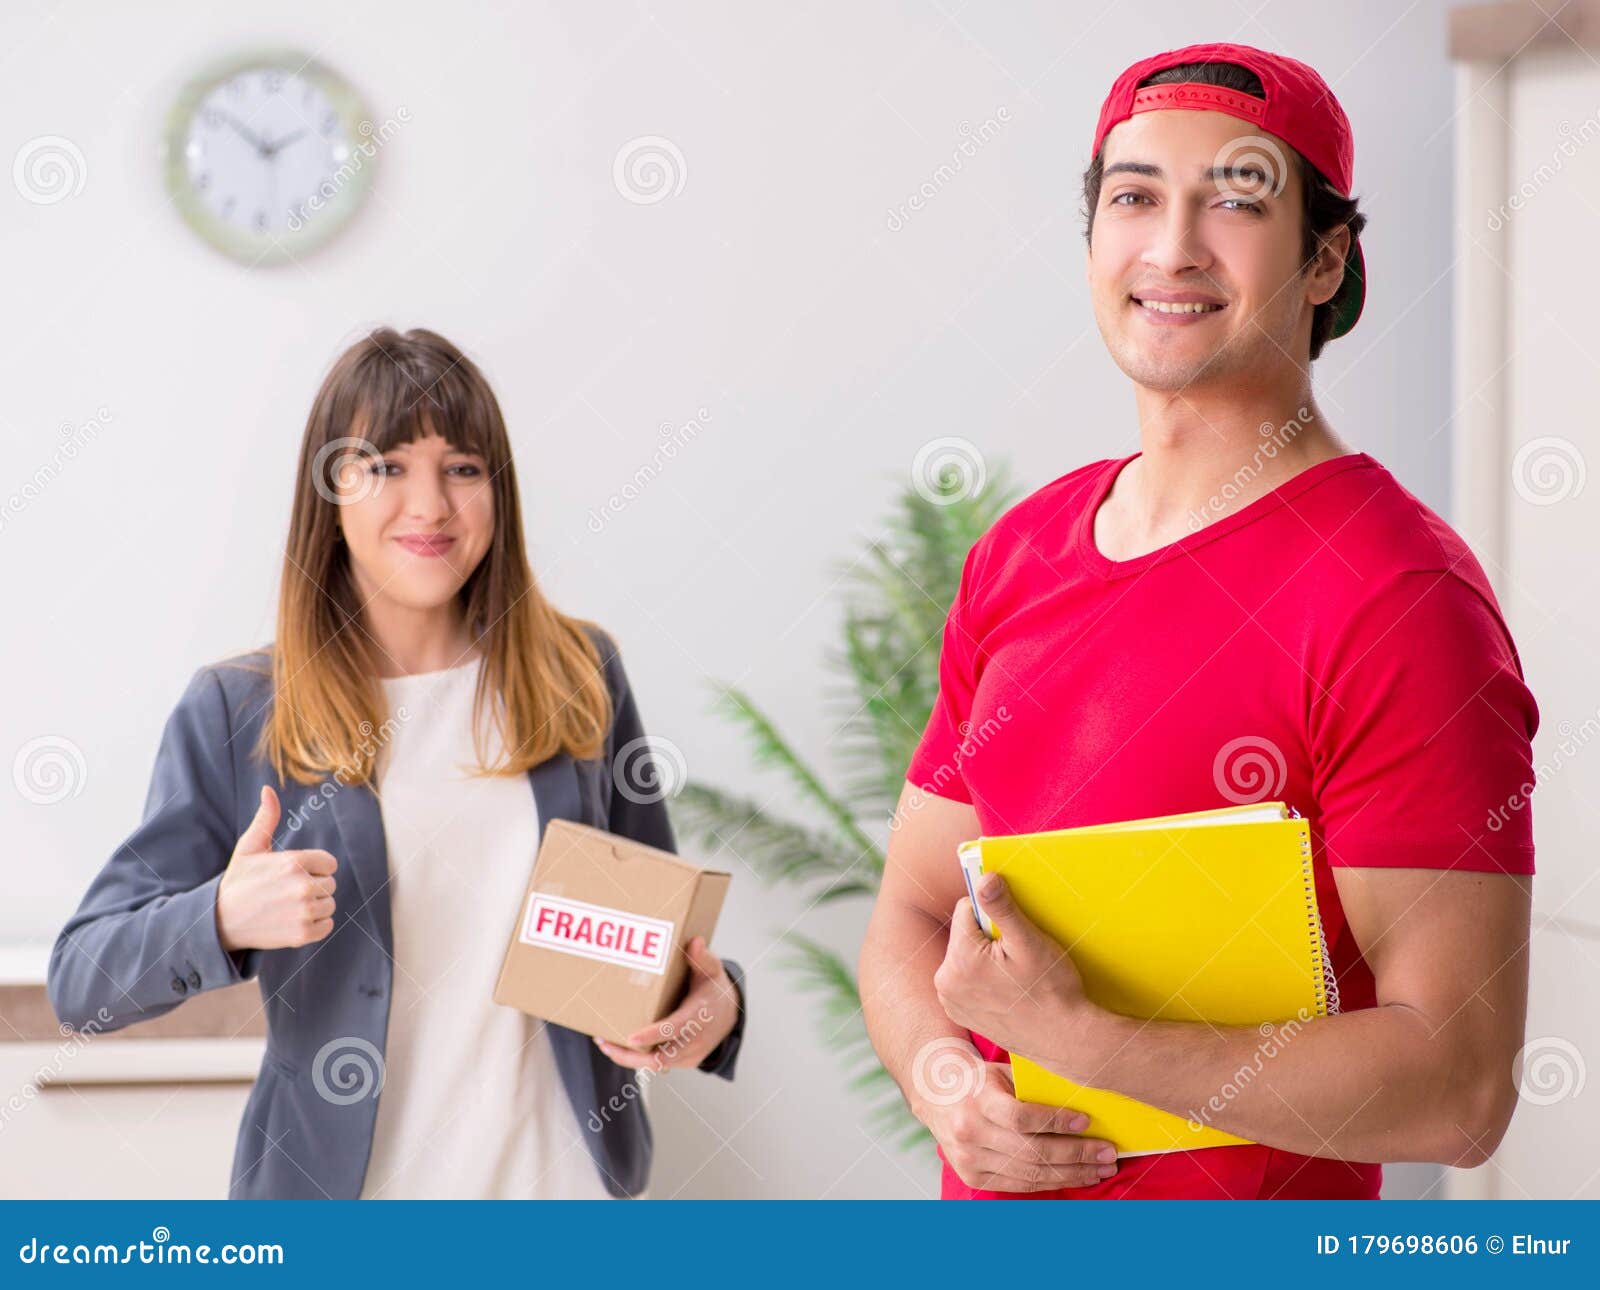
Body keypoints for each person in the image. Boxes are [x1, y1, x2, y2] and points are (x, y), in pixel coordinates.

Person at [859, 43, 1537, 1200]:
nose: (1171, 246)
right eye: (1133, 197)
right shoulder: (1018, 558)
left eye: (1234, 199)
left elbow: (1459, 1088)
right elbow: (910, 922)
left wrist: (1088, 1042)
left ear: (1326, 260)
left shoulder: (1399, 601)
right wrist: (947, 1089)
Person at [48, 326, 746, 1199]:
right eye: (384, 467)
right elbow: (83, 981)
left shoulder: (580, 673)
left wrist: (715, 1014)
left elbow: (664, 941)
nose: (430, 506)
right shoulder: (241, 708)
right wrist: (219, 915)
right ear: (329, 494)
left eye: (462, 467)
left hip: (562, 1196)